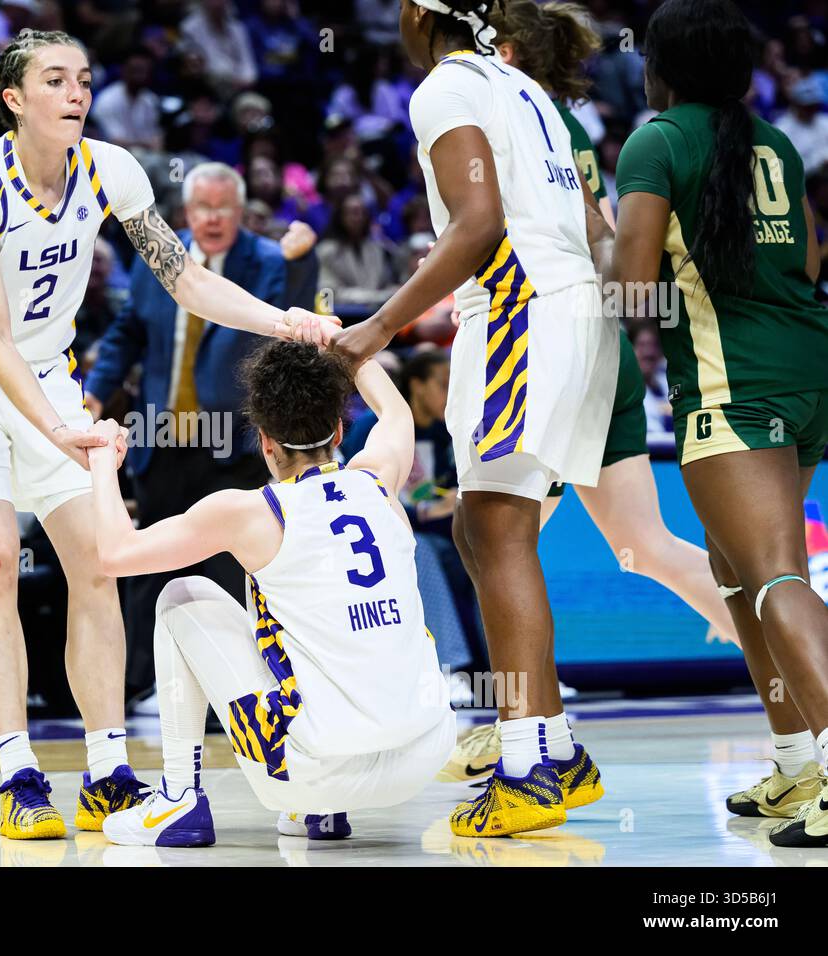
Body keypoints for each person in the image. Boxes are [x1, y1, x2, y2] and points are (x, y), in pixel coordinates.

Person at [0, 28, 326, 839]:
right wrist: (61, 427)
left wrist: (285, 319)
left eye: (84, 79)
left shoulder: (113, 169)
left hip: (47, 372)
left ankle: (105, 771)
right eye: (55, 80)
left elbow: (187, 278)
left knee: (96, 562)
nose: (76, 93)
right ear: (14, 100)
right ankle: (19, 775)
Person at [323, 0, 619, 837]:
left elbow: (480, 223)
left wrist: (378, 326)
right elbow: (579, 226)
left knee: (492, 531)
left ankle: (526, 764)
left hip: (524, 311)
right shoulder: (525, 90)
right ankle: (552, 743)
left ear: (420, 14)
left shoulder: (445, 86)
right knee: (485, 530)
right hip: (568, 307)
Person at [439, 0, 743, 782]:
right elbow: (602, 231)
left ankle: (532, 728)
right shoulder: (559, 126)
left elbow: (556, 232)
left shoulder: (511, 113)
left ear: (499, 48)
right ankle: (788, 672)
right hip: (593, 337)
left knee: (495, 536)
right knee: (638, 548)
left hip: (551, 336)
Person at [90, 341, 454, 846]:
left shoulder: (250, 512)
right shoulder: (378, 480)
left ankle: (179, 800)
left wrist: (103, 463)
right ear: (342, 429)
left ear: (265, 442)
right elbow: (394, 410)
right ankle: (323, 814)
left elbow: (115, 553)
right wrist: (341, 346)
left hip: (314, 771)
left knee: (180, 596)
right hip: (424, 755)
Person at [612, 0, 828, 846]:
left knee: (776, 578)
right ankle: (796, 759)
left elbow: (633, 292)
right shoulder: (770, 140)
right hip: (807, 368)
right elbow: (806, 260)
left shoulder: (656, 141)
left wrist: (582, 255)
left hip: (733, 385)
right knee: (737, 576)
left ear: (658, 65)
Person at [83, 162, 289, 702]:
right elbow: (127, 332)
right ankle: (136, 686)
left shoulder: (266, 263)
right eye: (203, 208)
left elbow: (265, 342)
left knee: (228, 567)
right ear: (186, 213)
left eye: (224, 208)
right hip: (163, 437)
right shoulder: (158, 258)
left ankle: (234, 690)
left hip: (232, 440)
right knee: (149, 562)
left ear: (241, 212)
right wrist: (97, 391)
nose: (214, 218)